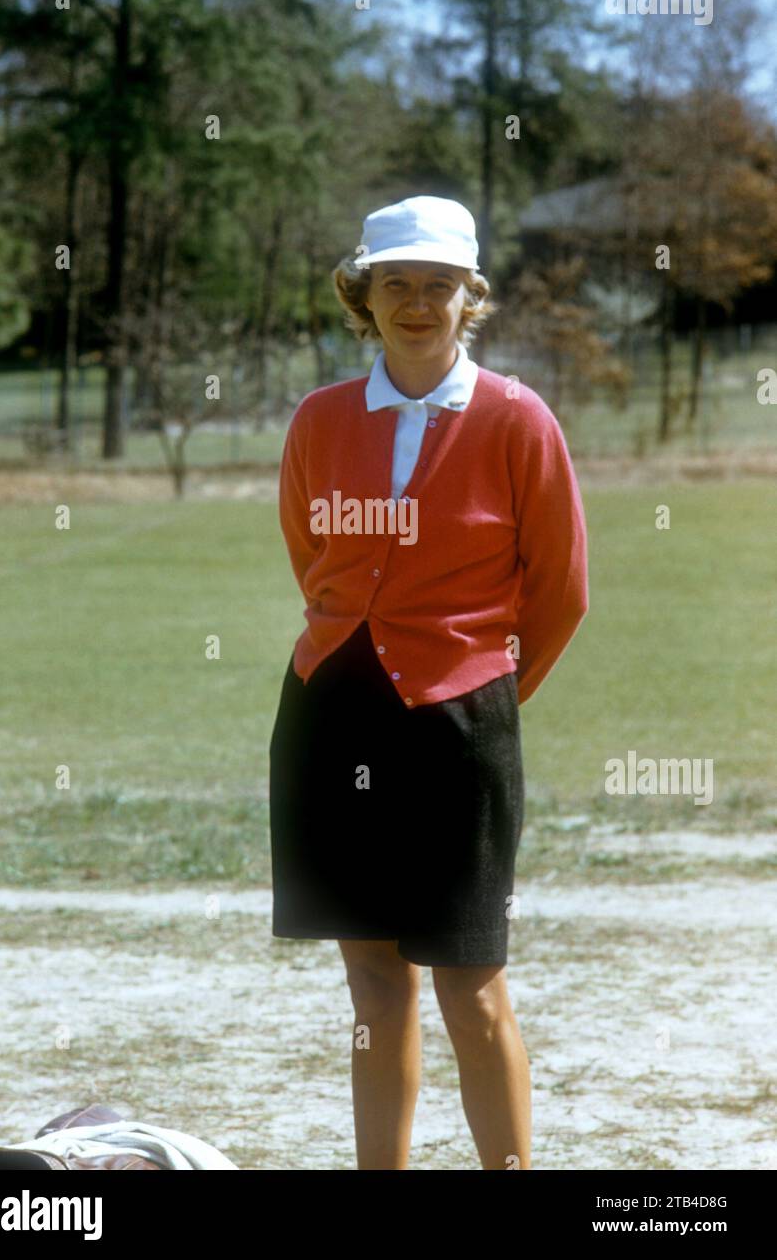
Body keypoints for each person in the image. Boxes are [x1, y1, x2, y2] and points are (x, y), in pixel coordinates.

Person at [268, 195, 589, 1170]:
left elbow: (562, 592)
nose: (416, 303)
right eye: (395, 284)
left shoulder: (516, 420)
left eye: (437, 286)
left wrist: (477, 697)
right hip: (330, 714)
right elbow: (308, 556)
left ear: (470, 297)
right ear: (363, 296)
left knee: (470, 982)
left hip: (460, 728)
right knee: (371, 983)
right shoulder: (320, 420)